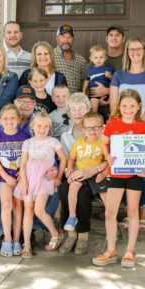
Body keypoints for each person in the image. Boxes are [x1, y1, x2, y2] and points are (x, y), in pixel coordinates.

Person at [0, 86, 61, 251]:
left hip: (31, 173)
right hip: (3, 173)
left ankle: (36, 228)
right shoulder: (0, 121)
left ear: (34, 104)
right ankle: (2, 231)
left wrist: (54, 168)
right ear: (14, 102)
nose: (24, 105)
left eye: (29, 102)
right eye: (20, 101)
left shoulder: (38, 123)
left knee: (54, 187)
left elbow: (48, 150)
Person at [109, 37, 145, 230]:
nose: (135, 52)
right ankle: (129, 211)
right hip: (122, 129)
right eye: (132, 49)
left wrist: (138, 126)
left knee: (143, 172)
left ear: (144, 51)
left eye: (139, 48)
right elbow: (115, 105)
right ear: (127, 52)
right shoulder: (119, 75)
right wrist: (124, 126)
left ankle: (144, 211)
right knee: (125, 171)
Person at [93, 89, 145, 268]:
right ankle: (111, 250)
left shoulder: (143, 126)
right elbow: (104, 142)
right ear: (119, 106)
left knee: (133, 211)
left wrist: (144, 167)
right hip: (116, 173)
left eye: (132, 105)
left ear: (138, 106)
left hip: (134, 174)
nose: (128, 109)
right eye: (124, 105)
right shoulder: (112, 123)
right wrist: (108, 156)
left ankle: (130, 250)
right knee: (110, 212)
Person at [15, 112, 67, 257]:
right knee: (28, 210)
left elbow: (63, 158)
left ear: (49, 128)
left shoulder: (53, 142)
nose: (42, 129)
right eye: (39, 126)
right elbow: (23, 164)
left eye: (46, 126)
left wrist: (59, 176)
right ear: (32, 126)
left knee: (39, 210)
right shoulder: (28, 143)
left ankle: (55, 234)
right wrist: (24, 183)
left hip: (44, 179)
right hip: (30, 179)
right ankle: (27, 245)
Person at [0, 103, 29, 257]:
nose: (9, 121)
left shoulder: (25, 137)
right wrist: (6, 177)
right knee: (6, 204)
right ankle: (7, 239)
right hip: (5, 178)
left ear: (19, 119)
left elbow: (28, 159)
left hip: (20, 177)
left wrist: (20, 175)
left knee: (18, 206)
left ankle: (17, 240)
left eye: (13, 117)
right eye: (5, 118)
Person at [58, 93, 96, 255]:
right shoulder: (66, 136)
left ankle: (83, 236)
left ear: (88, 109)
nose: (78, 113)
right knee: (65, 188)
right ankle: (71, 234)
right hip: (76, 173)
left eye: (81, 108)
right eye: (74, 110)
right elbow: (67, 160)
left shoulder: (98, 130)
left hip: (95, 174)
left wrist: (91, 171)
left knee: (82, 193)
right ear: (69, 113)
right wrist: (69, 171)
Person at [63, 111, 108, 232]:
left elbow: (108, 161)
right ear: (83, 129)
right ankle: (72, 217)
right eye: (88, 128)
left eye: (96, 127)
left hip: (96, 175)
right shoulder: (79, 142)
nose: (92, 131)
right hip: (81, 173)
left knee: (106, 196)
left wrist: (102, 173)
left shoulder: (103, 143)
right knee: (73, 187)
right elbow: (71, 158)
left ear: (102, 128)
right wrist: (70, 168)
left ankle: (111, 223)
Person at [52, 24, 88, 94]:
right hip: (56, 102)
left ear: (73, 39)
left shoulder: (81, 60)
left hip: (76, 102)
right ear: (57, 38)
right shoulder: (49, 56)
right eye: (63, 37)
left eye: (69, 37)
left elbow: (85, 83)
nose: (66, 40)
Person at [83, 44, 113, 113]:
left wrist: (110, 76)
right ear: (91, 59)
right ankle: (94, 118)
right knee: (93, 104)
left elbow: (114, 82)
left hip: (107, 94)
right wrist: (84, 91)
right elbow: (86, 82)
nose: (98, 59)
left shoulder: (108, 68)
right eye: (96, 57)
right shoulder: (90, 70)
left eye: (101, 57)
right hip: (94, 95)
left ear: (105, 58)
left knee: (112, 103)